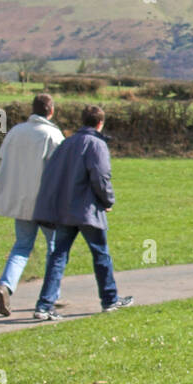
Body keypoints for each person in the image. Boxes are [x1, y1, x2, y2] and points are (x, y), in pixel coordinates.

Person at [32, 104, 133, 319]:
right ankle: (109, 299)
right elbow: (100, 176)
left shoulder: (67, 143)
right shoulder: (96, 144)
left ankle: (44, 304)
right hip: (87, 210)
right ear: (100, 123)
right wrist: (108, 200)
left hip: (65, 210)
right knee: (101, 255)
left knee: (58, 256)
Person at [0, 93, 64, 316]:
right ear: (51, 111)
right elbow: (60, 170)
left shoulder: (15, 132)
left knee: (21, 246)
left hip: (21, 201)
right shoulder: (52, 134)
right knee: (54, 249)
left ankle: (6, 285)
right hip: (45, 204)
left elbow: (0, 160)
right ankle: (50, 295)